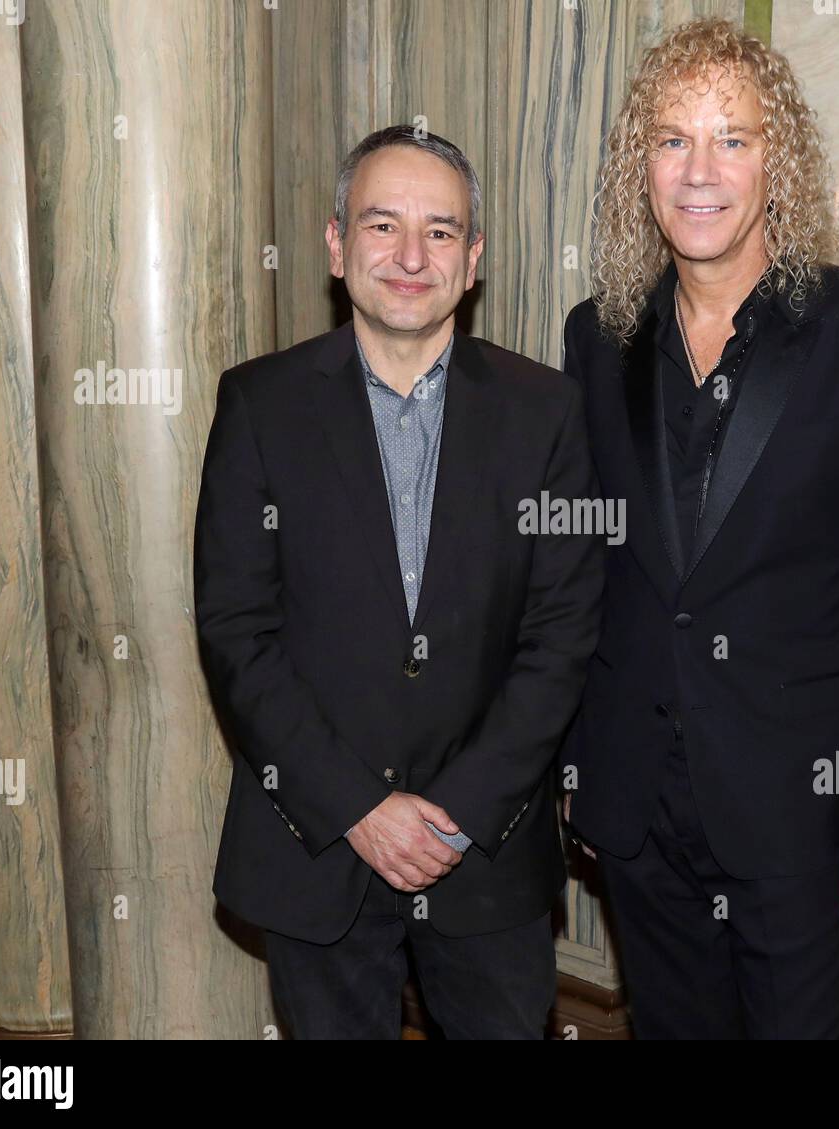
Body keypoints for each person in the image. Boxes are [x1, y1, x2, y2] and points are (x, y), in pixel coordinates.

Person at [560, 18, 839, 1039]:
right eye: (672, 138)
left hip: (802, 817)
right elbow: (581, 573)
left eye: (732, 137)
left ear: (775, 157)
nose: (700, 170)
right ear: (637, 164)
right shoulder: (595, 337)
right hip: (638, 807)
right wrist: (583, 769)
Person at [195, 126, 603, 1039]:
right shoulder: (260, 405)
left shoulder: (546, 413)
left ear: (474, 259)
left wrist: (457, 811)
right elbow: (236, 632)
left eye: (442, 231)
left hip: (488, 855)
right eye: (383, 226)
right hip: (316, 844)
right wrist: (360, 808)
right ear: (337, 245)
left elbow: (565, 632)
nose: (412, 256)